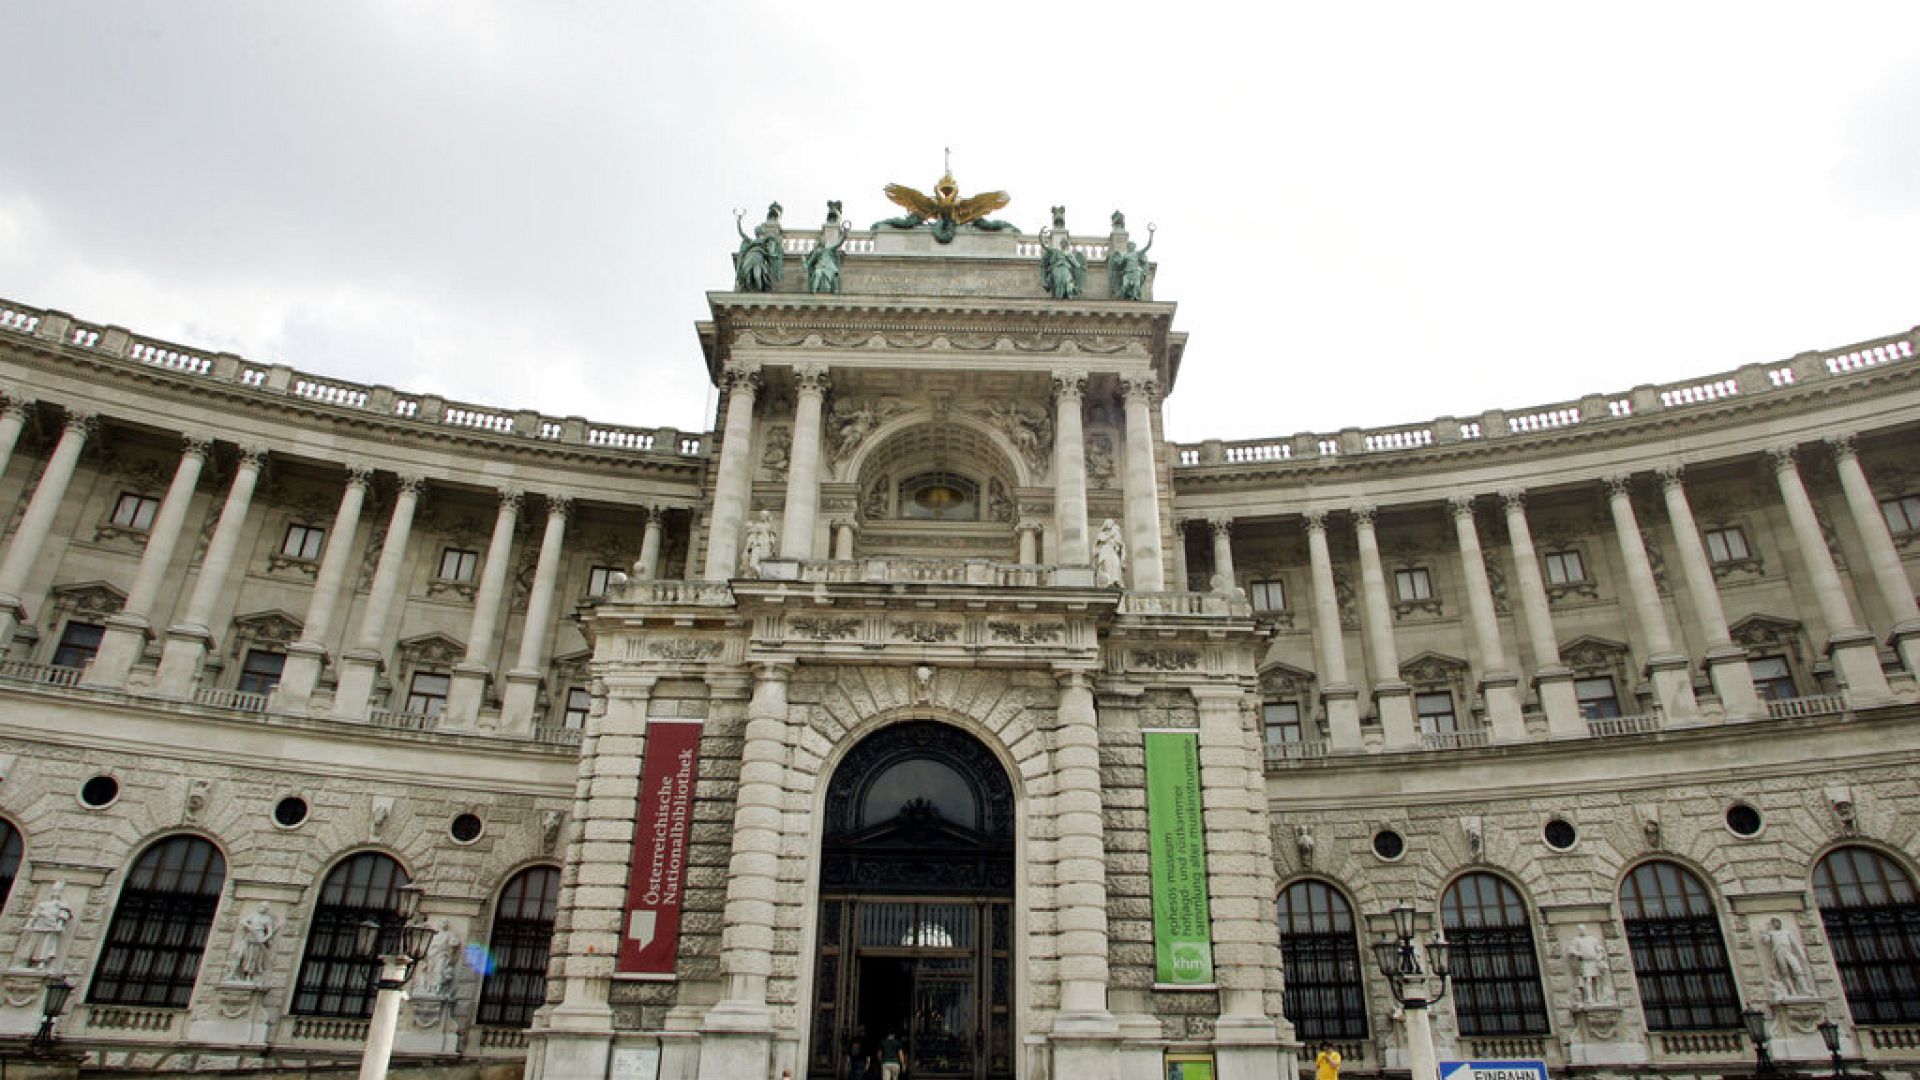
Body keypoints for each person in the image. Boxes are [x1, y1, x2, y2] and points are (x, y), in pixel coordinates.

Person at [23, 881, 72, 969]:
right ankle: (26, 959)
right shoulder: (43, 903)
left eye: (58, 892)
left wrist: (59, 925)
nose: (55, 893)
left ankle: (42, 962)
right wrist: (29, 924)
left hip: (51, 926)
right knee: (32, 943)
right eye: (54, 891)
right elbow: (35, 914)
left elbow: (63, 915)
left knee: (46, 944)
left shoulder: (62, 905)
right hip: (39, 925)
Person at [228, 901, 279, 981]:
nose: (262, 908)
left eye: (264, 907)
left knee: (254, 957)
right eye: (261, 906)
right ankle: (241, 972)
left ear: (266, 909)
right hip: (250, 937)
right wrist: (248, 926)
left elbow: (270, 932)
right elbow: (243, 921)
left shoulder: (267, 918)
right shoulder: (253, 915)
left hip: (259, 938)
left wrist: (264, 939)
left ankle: (249, 975)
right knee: (245, 955)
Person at [1565, 923, 1611, 1004]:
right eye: (1580, 929)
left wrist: (1599, 957)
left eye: (1583, 929)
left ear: (1586, 930)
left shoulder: (1593, 939)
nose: (1582, 931)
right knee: (1588, 980)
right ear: (1579, 931)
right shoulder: (1576, 940)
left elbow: (1600, 949)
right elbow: (1571, 950)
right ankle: (1589, 998)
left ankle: (1599, 997)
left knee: (1597, 980)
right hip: (1584, 962)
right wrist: (1576, 953)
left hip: (1594, 961)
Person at [1095, 518, 1126, 587]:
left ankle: (1115, 580)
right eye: (1109, 523)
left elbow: (1119, 544)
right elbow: (1101, 540)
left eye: (1111, 523)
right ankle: (1108, 582)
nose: (1110, 525)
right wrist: (1111, 536)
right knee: (1107, 565)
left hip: (1112, 551)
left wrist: (1119, 544)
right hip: (1105, 550)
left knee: (1115, 563)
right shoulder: (1102, 533)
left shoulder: (1115, 534)